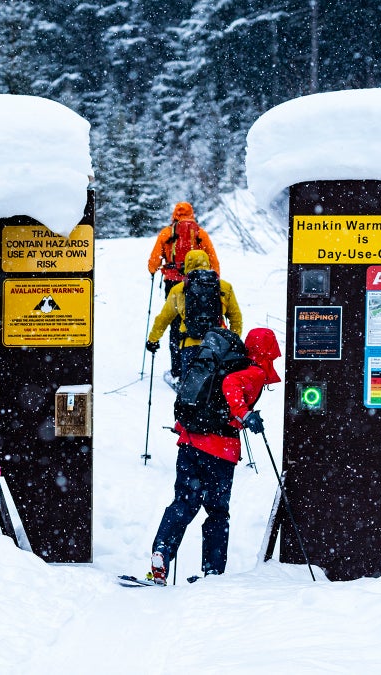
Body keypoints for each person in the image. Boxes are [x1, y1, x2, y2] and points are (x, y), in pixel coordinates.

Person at [148, 327, 282, 584]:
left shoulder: (225, 363)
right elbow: (230, 386)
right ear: (268, 350)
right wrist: (244, 414)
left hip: (190, 441)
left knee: (184, 502)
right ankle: (213, 572)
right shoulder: (252, 371)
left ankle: (162, 552)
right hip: (219, 451)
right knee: (217, 511)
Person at [147, 202, 220, 383]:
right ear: (192, 214)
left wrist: (152, 269)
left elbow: (154, 261)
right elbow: (213, 259)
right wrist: (215, 282)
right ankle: (200, 367)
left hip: (173, 283)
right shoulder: (200, 234)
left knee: (175, 324)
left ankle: (178, 370)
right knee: (199, 323)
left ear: (174, 215)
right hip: (200, 284)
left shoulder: (167, 233)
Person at [145, 249, 241, 384]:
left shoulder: (179, 289)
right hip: (216, 345)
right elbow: (236, 318)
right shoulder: (224, 287)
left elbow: (164, 318)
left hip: (190, 345)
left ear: (187, 265)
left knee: (190, 389)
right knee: (215, 387)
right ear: (207, 263)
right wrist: (233, 342)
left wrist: (153, 340)